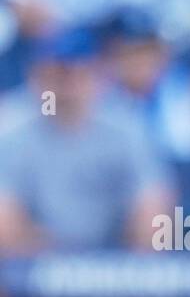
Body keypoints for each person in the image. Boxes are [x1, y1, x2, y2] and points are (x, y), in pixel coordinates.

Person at [0, 29, 177, 253]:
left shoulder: (125, 125)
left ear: (96, 76)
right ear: (36, 76)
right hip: (34, 258)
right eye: (56, 75)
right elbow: (4, 218)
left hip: (114, 259)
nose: (66, 88)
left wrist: (129, 263)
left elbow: (152, 202)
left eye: (76, 74)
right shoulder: (12, 127)